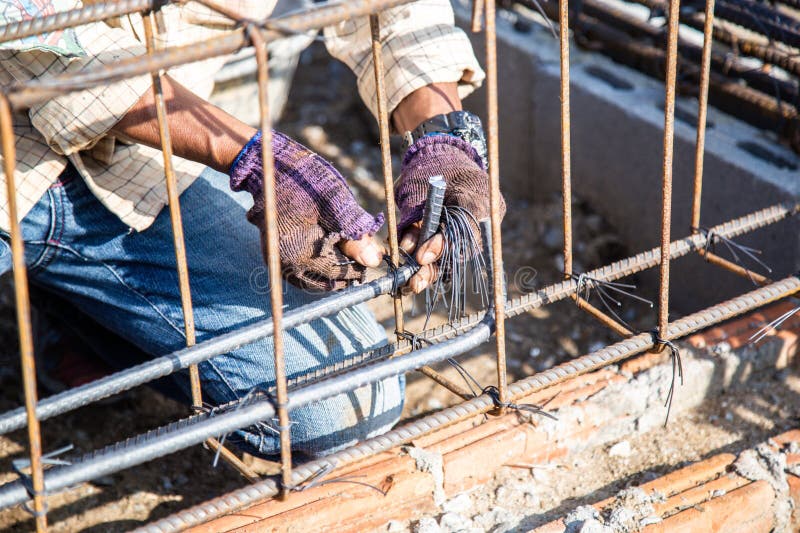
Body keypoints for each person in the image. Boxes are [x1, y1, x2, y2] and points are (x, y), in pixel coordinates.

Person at [0, 0, 502, 458]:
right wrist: (256, 159)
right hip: (13, 162)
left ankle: (80, 319)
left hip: (135, 163)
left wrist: (442, 138)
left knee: (350, 400)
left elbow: (394, 10)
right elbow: (42, 43)